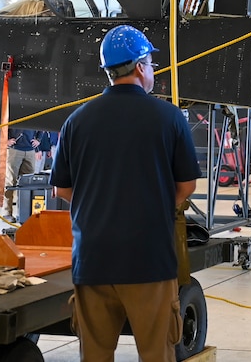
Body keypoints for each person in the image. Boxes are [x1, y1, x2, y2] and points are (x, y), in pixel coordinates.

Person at [51, 25, 200, 362]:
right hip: (149, 260)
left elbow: (62, 188)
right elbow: (186, 186)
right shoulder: (168, 117)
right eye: (151, 64)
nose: (152, 71)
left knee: (95, 355)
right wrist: (154, 206)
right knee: (157, 352)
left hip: (93, 261)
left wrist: (99, 206)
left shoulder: (77, 121)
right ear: (140, 67)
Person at [0, 127, 48, 220]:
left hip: (30, 151)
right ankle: (7, 212)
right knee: (10, 182)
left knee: (27, 184)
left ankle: (24, 213)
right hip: (14, 150)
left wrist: (39, 139)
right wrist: (4, 141)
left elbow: (42, 124)